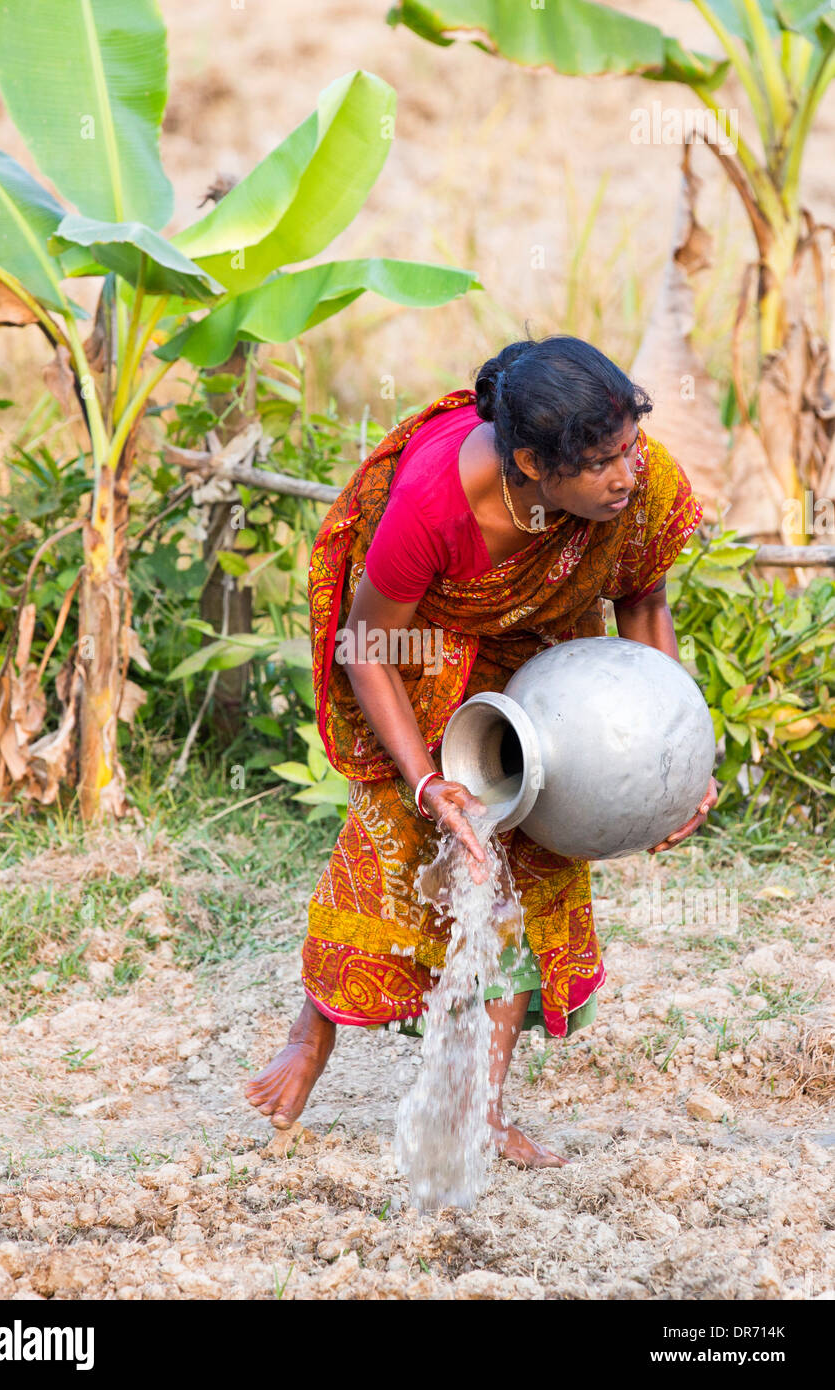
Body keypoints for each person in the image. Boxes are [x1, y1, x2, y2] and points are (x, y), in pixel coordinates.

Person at [247, 335, 718, 1168]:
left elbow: (643, 600)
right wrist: (429, 783)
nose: (629, 474)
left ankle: (483, 1112)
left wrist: (677, 758)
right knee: (400, 845)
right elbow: (367, 647)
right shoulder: (435, 504)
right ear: (533, 463)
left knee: (528, 863)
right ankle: (313, 1032)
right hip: (418, 645)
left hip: (546, 654)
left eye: (632, 446)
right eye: (604, 461)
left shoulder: (633, 486)